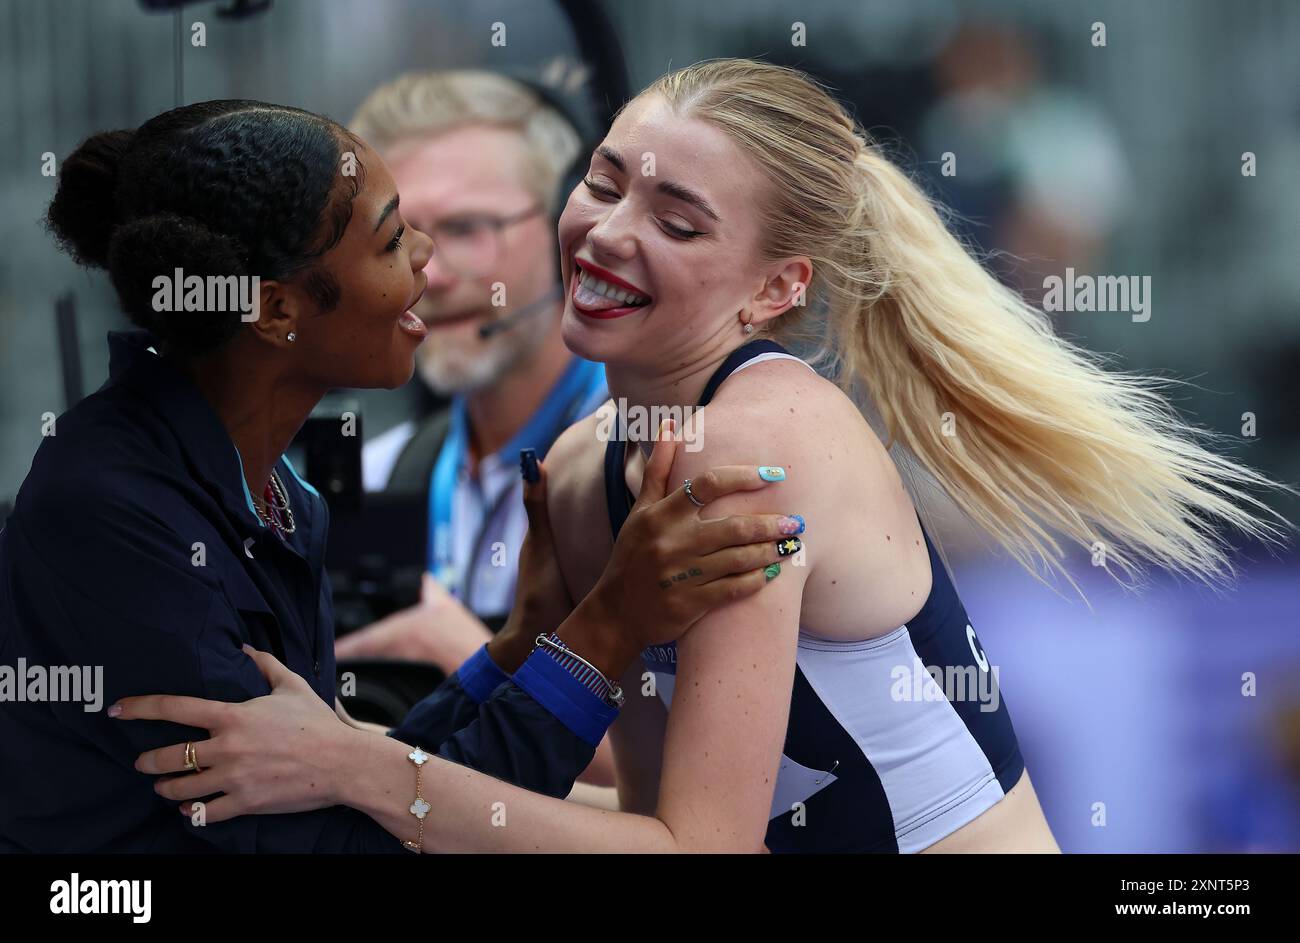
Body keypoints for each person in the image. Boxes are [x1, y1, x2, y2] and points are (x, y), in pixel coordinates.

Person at [115, 59, 1294, 853]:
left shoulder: (760, 444)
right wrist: (352, 749)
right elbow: (636, 808)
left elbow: (694, 855)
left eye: (677, 223)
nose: (608, 233)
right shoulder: (585, 467)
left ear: (781, 288)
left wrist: (362, 771)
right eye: (605, 181)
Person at [0, 98, 799, 852]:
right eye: (391, 242)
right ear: (276, 311)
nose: (427, 256)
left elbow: (354, 779)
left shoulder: (281, 495)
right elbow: (355, 839)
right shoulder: (111, 514)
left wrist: (520, 648)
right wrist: (609, 627)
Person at [340, 71, 609, 675]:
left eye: (466, 229)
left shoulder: (650, 465)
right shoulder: (372, 478)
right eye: (395, 239)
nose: (427, 276)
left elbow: (679, 766)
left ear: (573, 231)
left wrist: (467, 658)